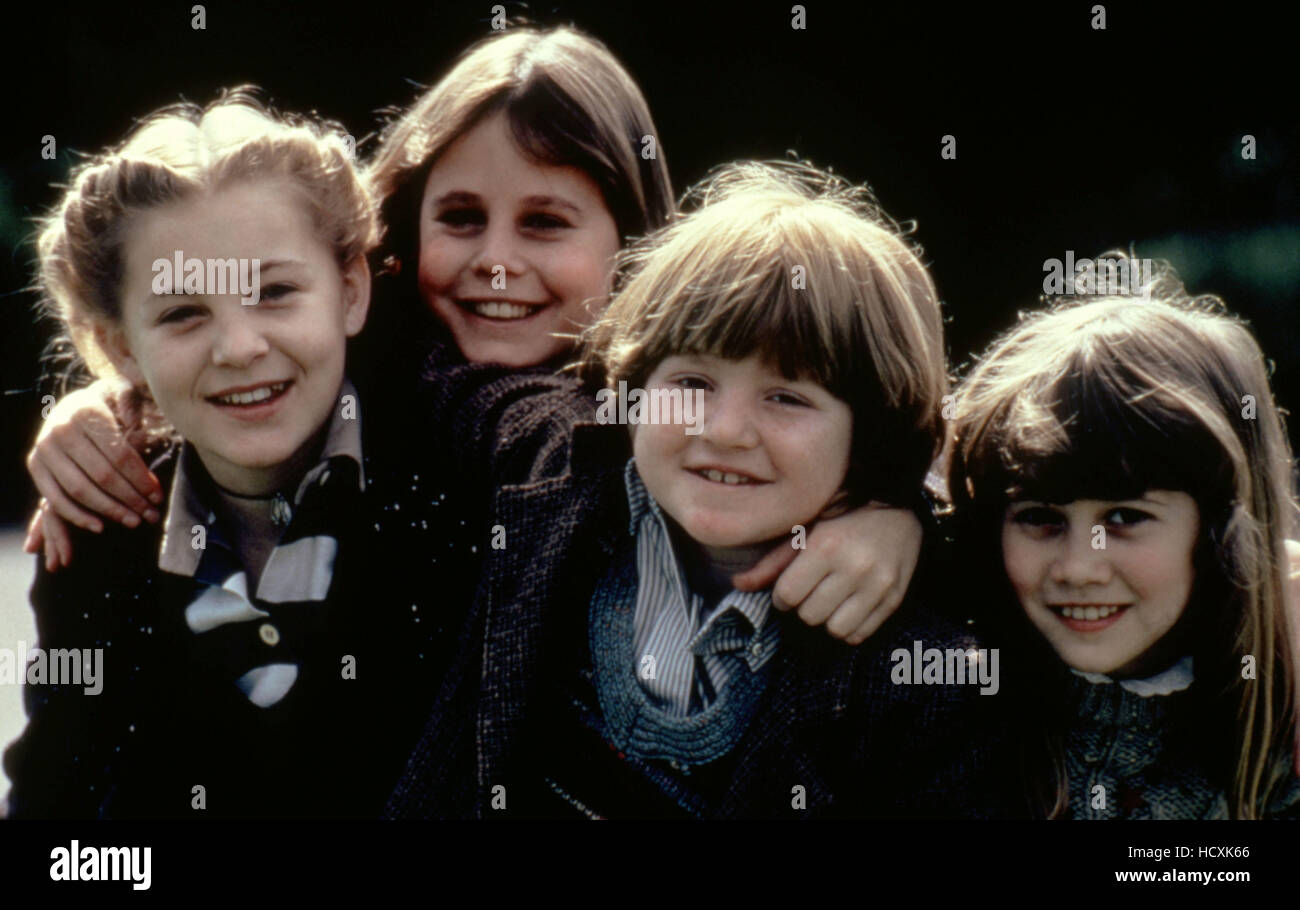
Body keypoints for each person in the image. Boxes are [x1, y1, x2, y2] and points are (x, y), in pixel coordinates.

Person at [22, 26, 925, 646]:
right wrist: (109, 399)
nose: (496, 261)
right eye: (459, 218)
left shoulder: (687, 411)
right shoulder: (360, 372)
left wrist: (899, 510)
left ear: (637, 243)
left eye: (544, 223)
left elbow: (936, 430)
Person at [387, 161, 1006, 818]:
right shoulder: (552, 465)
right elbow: (414, 354)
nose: (726, 431)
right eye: (692, 385)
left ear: (871, 439)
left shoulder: (926, 679)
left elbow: (1036, 550)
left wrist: (911, 513)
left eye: (786, 397)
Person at [3, 92, 480, 818]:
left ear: (350, 292)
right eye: (184, 312)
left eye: (276, 291)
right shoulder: (99, 534)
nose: (239, 348)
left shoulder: (458, 483)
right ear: (119, 347)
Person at [946, 258, 1300, 817]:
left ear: (1217, 529)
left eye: (1126, 518)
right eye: (1040, 517)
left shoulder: (1278, 745)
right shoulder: (944, 703)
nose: (1079, 568)